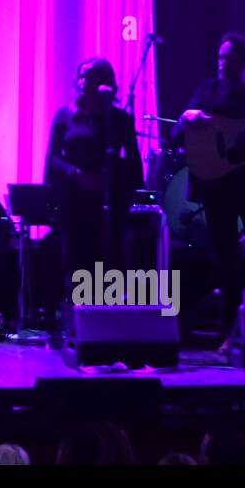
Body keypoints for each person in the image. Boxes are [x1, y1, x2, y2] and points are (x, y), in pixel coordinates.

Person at [176, 33, 245, 346]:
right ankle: (229, 330)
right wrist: (188, 116)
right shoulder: (206, 90)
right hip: (215, 181)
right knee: (224, 255)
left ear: (243, 62)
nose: (223, 64)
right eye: (220, 57)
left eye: (230, 58)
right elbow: (181, 126)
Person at [46, 58, 144, 304]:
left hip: (109, 201)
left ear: (103, 82)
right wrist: (76, 174)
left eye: (88, 76)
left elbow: (134, 161)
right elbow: (53, 159)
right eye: (80, 76)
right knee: (76, 260)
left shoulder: (118, 119)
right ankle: (76, 319)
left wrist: (110, 177)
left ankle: (108, 318)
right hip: (74, 198)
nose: (82, 81)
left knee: (108, 259)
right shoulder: (66, 115)